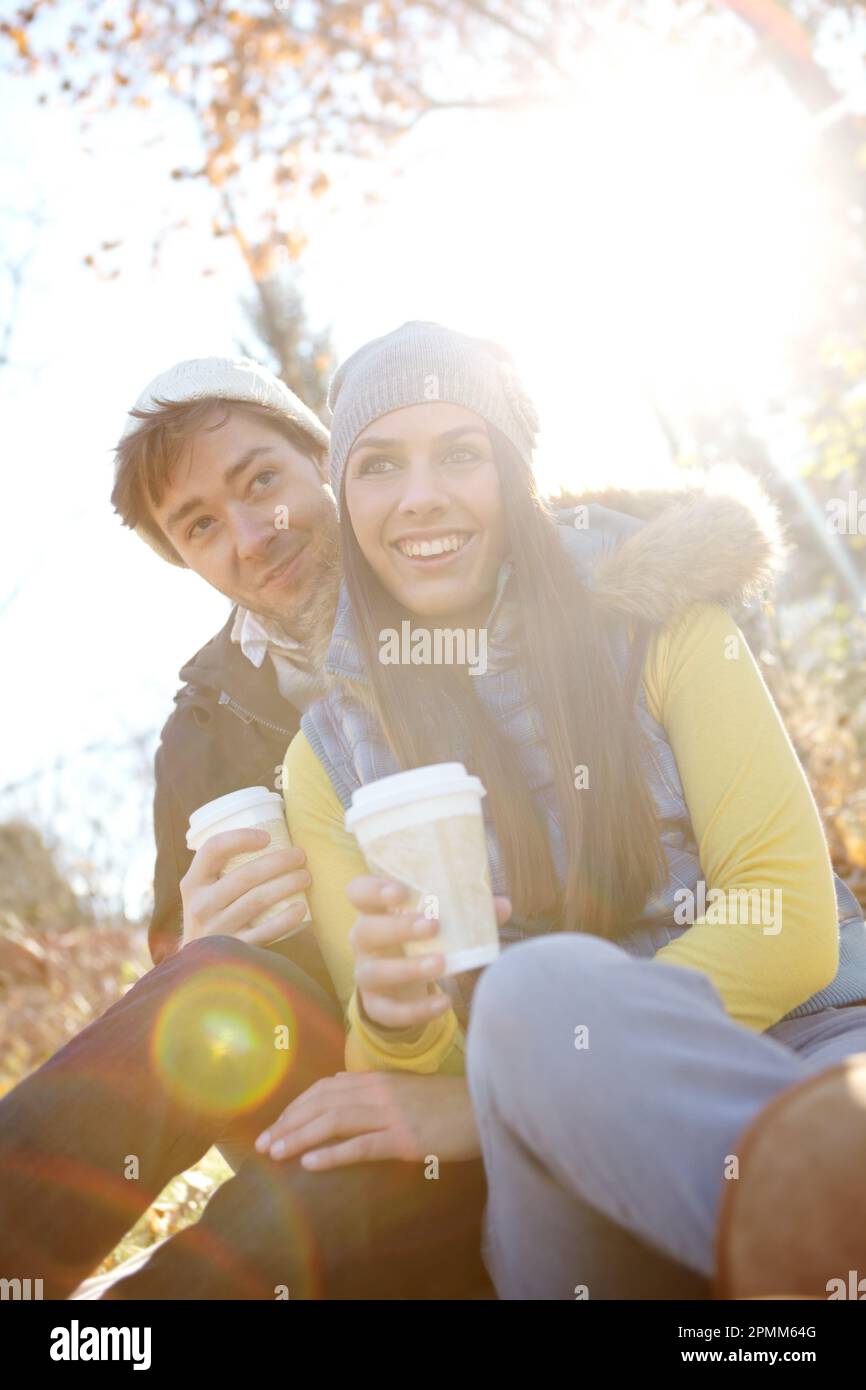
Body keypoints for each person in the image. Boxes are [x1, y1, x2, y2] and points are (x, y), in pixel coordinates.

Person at [259, 319, 866, 1298]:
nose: (419, 496)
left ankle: (816, 1223)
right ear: (344, 499)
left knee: (538, 1001)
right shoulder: (325, 760)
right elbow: (401, 1068)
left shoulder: (664, 625)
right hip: (562, 1176)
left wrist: (503, 1081)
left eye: (460, 453)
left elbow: (789, 921)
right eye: (376, 466)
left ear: (514, 474)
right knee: (535, 994)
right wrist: (398, 1009)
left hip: (811, 1047)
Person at [0, 356, 492, 1299]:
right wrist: (197, 940)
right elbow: (183, 999)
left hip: (508, 1066)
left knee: (320, 1200)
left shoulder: (472, 593)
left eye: (261, 479)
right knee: (226, 984)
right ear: (186, 560)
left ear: (324, 457)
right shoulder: (200, 728)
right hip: (336, 1076)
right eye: (200, 526)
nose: (252, 535)